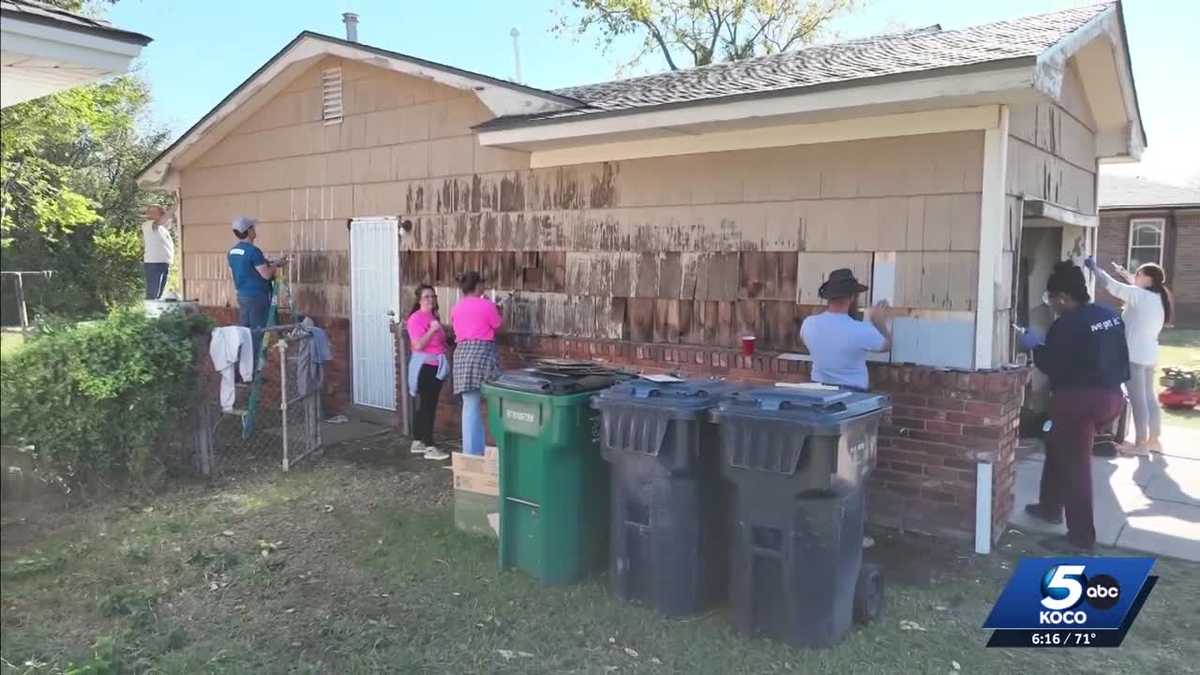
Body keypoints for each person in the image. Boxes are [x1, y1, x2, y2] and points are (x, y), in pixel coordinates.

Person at [1020, 261, 1130, 552]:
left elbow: (1051, 364)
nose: (1052, 305)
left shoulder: (1066, 324)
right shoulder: (1109, 316)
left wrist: (1034, 345)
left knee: (1076, 469)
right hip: (1112, 398)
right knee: (1058, 448)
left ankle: (1081, 539)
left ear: (1063, 297)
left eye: (1052, 299)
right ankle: (1049, 507)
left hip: (1078, 403)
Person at [1087, 256, 1174, 454]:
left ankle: (1141, 444)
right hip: (1150, 354)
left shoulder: (1139, 295)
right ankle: (1154, 441)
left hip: (1134, 355)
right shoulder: (1158, 297)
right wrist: (1124, 273)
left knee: (1137, 399)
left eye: (1138, 274)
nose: (1135, 276)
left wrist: (1094, 268)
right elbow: (1132, 287)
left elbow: (1113, 286)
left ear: (1147, 278)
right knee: (1149, 397)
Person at [799, 268, 893, 391]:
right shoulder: (860, 330)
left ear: (828, 297)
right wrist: (879, 322)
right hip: (851, 396)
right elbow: (887, 346)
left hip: (818, 392)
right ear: (852, 297)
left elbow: (807, 339)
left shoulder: (808, 324)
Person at [450, 272, 503, 456]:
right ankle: (492, 447)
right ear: (478, 286)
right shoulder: (487, 305)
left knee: (470, 404)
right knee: (495, 401)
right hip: (482, 353)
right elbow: (497, 325)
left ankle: (471, 452)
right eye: (483, 283)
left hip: (462, 354)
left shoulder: (456, 308)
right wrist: (496, 309)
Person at [227, 216, 286, 370]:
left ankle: (240, 371)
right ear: (248, 231)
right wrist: (276, 266)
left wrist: (267, 264)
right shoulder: (254, 251)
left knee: (244, 333)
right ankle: (252, 373)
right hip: (257, 297)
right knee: (256, 334)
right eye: (253, 228)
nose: (255, 230)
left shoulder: (233, 252)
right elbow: (266, 275)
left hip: (242, 295)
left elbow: (239, 270)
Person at [406, 284, 450, 461]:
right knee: (428, 406)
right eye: (426, 297)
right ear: (419, 299)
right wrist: (432, 330)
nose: (431, 299)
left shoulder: (432, 316)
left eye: (433, 296)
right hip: (425, 366)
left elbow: (441, 341)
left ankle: (418, 441)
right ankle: (430, 446)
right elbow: (417, 345)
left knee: (425, 404)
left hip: (435, 364)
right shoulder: (416, 319)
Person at [142, 205, 175, 300]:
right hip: (153, 263)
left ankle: (156, 313)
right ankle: (150, 314)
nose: (150, 214)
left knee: (160, 294)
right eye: (149, 212)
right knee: (152, 293)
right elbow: (162, 221)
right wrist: (175, 207)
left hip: (164, 263)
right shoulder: (148, 225)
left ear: (160, 214)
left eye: (154, 212)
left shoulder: (162, 229)